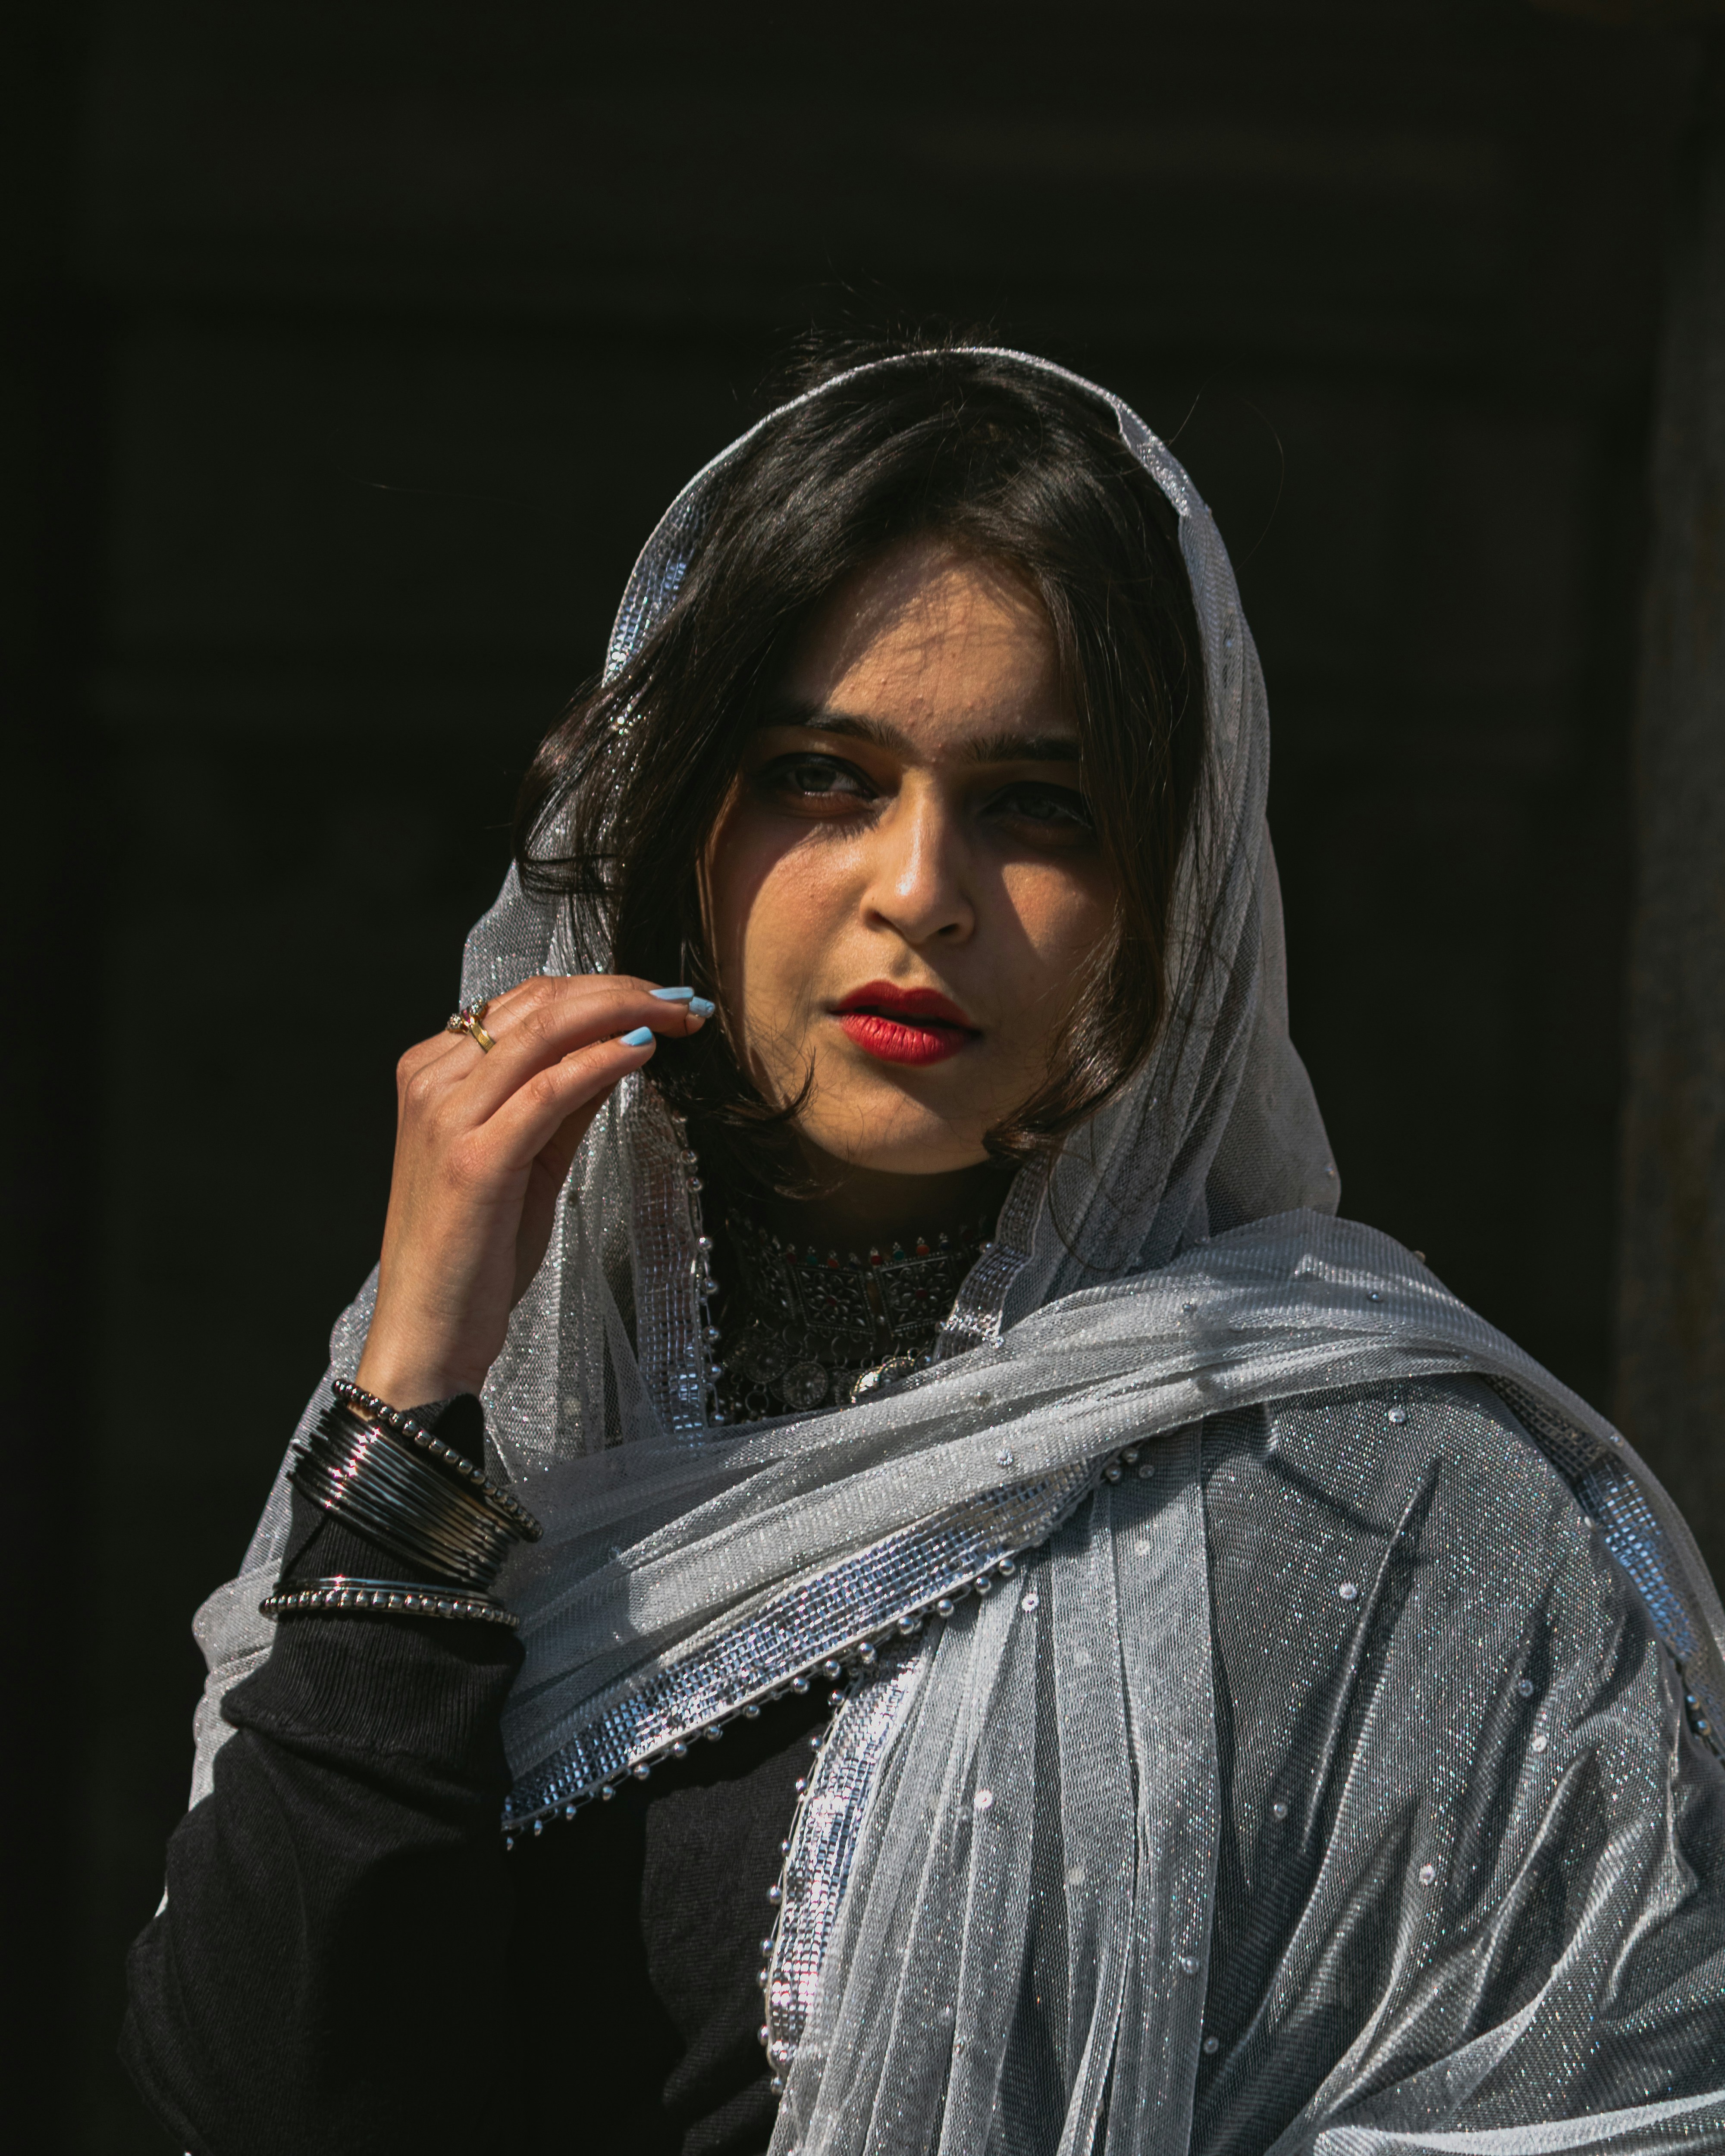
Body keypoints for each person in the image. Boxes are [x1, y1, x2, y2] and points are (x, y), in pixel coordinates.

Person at [122, 343, 1725, 2156]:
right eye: (822, 777)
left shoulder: (1391, 1509)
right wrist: (414, 1385)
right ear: (676, 817)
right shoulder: (515, 1413)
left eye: (1042, 806)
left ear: (1180, 894)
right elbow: (268, 2091)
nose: (920, 891)